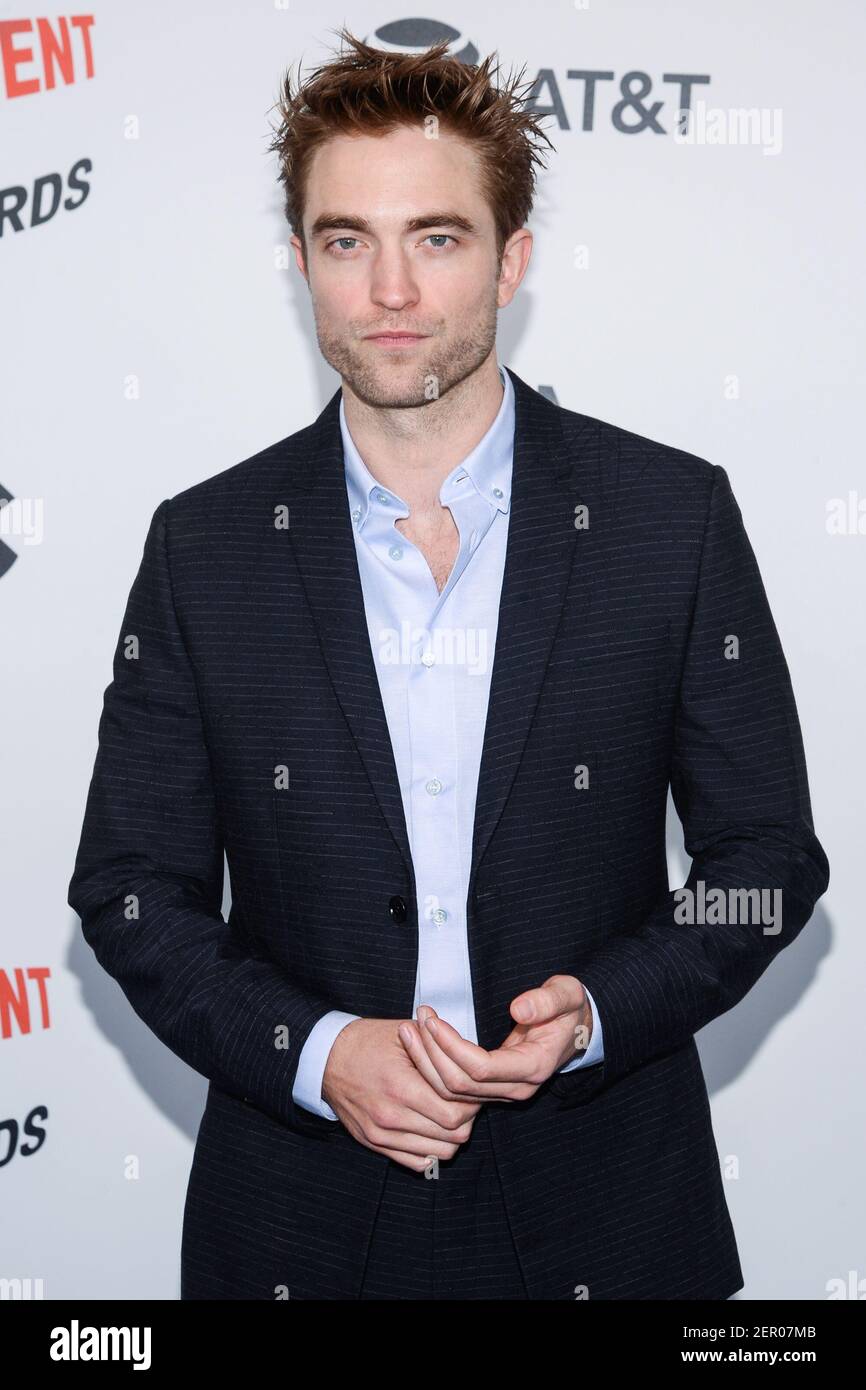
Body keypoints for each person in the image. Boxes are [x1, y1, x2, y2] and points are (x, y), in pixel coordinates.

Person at [68, 29, 829, 1300]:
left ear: (510, 260)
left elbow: (765, 864)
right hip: (296, 1231)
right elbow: (130, 889)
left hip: (611, 1215)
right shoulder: (203, 546)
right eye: (344, 240)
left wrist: (596, 1007)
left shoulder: (665, 518)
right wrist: (316, 1053)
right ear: (302, 262)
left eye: (437, 236)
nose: (389, 292)